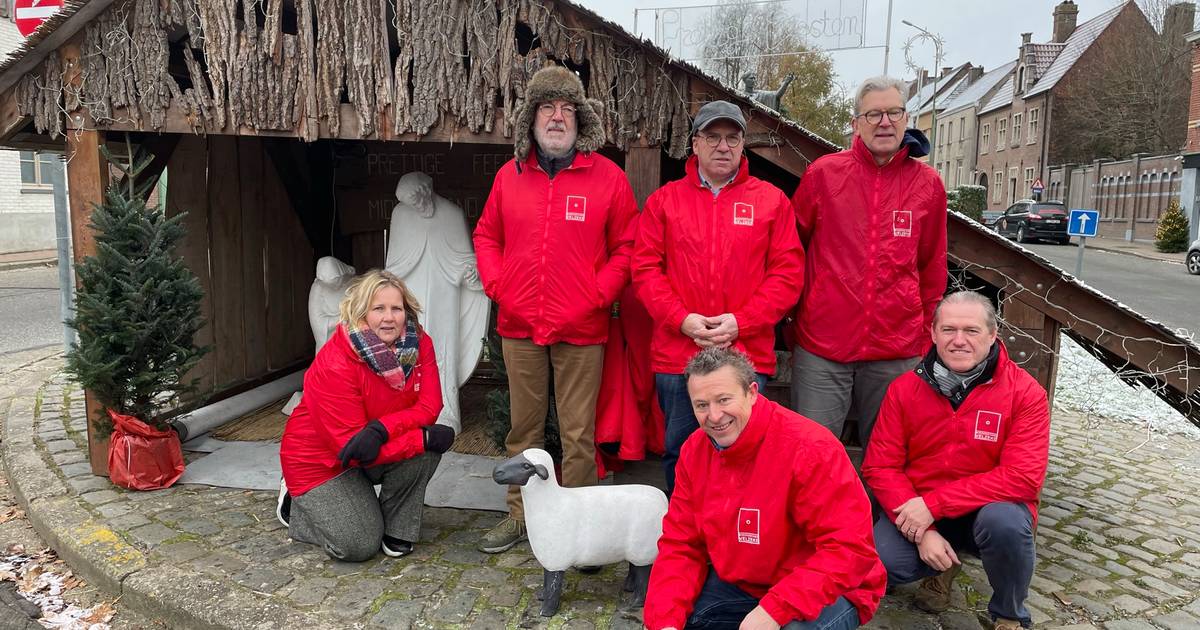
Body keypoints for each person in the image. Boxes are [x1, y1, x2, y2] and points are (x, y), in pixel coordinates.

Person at [472, 64, 639, 553]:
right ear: (532, 117)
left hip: (582, 329)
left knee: (577, 434)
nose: (557, 117)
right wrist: (500, 284)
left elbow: (626, 247)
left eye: (567, 108)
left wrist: (595, 296)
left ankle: (583, 529)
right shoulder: (509, 177)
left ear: (581, 120)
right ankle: (521, 516)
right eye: (548, 106)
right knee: (524, 430)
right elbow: (486, 236)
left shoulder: (607, 177)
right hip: (520, 325)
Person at [644, 347, 886, 630]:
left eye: (724, 400)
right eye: (701, 405)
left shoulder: (810, 448)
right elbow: (682, 543)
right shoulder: (694, 451)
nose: (714, 415)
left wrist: (774, 610)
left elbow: (849, 549)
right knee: (677, 618)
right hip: (746, 584)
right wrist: (663, 621)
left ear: (752, 392)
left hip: (832, 588)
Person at [633, 100, 803, 495]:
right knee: (681, 451)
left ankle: (740, 544)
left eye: (732, 137)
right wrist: (681, 319)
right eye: (713, 137)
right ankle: (688, 541)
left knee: (745, 452)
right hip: (679, 354)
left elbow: (788, 274)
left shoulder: (772, 201)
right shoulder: (665, 201)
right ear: (695, 144)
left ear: (743, 145)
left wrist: (742, 322)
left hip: (744, 351)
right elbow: (644, 270)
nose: (723, 146)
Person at [862, 291, 1050, 630]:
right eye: (948, 330)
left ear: (993, 336)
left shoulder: (1025, 393)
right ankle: (940, 564)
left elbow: (1022, 478)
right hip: (920, 505)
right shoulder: (904, 389)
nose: (958, 340)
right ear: (933, 334)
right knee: (881, 560)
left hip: (985, 509)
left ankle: (1009, 616)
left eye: (971, 330)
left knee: (1005, 524)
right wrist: (924, 532)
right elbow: (881, 466)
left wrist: (935, 505)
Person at [789, 76, 947, 448]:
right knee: (813, 455)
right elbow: (791, 252)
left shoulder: (928, 185)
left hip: (897, 351)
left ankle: (881, 511)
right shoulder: (824, 175)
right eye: (873, 114)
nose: (884, 122)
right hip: (822, 347)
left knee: (889, 458)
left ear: (907, 118)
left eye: (894, 112)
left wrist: (924, 335)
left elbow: (932, 266)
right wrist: (795, 320)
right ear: (855, 123)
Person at [277, 270, 456, 561]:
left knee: (426, 451)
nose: (389, 317)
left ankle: (396, 528)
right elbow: (353, 447)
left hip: (374, 443)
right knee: (358, 546)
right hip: (321, 460)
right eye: (378, 308)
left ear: (406, 311)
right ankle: (295, 506)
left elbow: (429, 407)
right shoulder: (336, 361)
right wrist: (419, 439)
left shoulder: (419, 343)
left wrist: (381, 430)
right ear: (361, 312)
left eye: (396, 308)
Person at [385, 170, 489, 433]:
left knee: (442, 349)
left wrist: (471, 272)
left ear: (427, 191)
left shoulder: (451, 214)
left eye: (418, 199)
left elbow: (465, 261)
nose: (417, 207)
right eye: (409, 203)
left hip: (445, 292)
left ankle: (446, 410)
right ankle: (410, 408)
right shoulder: (400, 215)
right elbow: (395, 263)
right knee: (409, 348)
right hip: (411, 292)